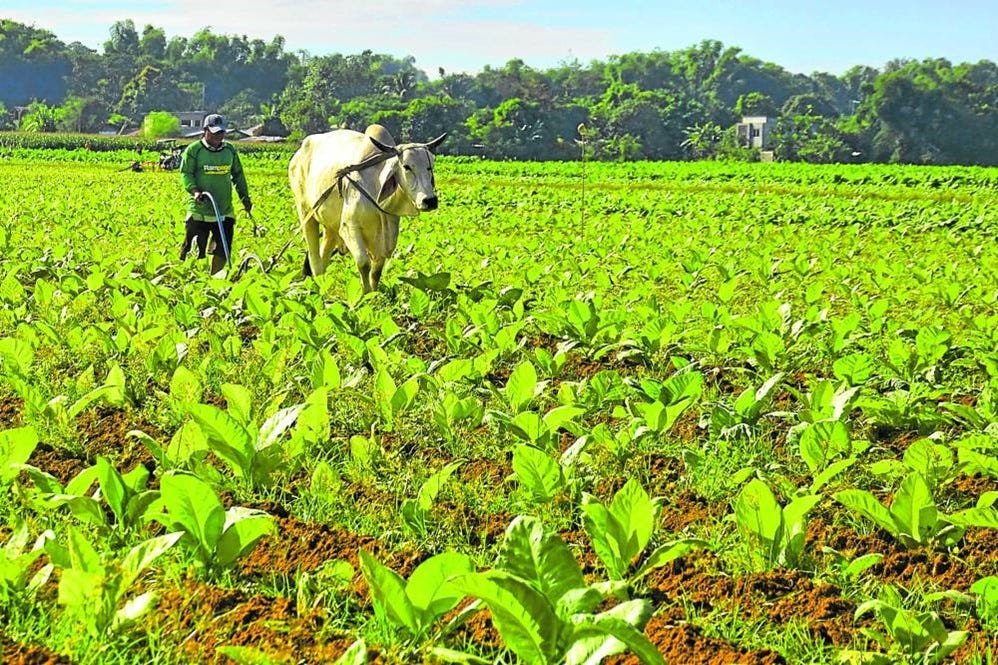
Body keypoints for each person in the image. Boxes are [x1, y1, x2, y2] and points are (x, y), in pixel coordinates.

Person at [179, 113, 252, 274]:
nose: (219, 136)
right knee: (193, 248)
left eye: (222, 132)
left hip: (223, 210)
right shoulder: (194, 150)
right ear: (205, 131)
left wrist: (245, 198)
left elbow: (238, 174)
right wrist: (195, 191)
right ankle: (187, 277)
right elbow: (186, 173)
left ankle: (214, 278)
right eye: (215, 132)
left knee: (222, 249)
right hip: (200, 209)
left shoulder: (229, 151)